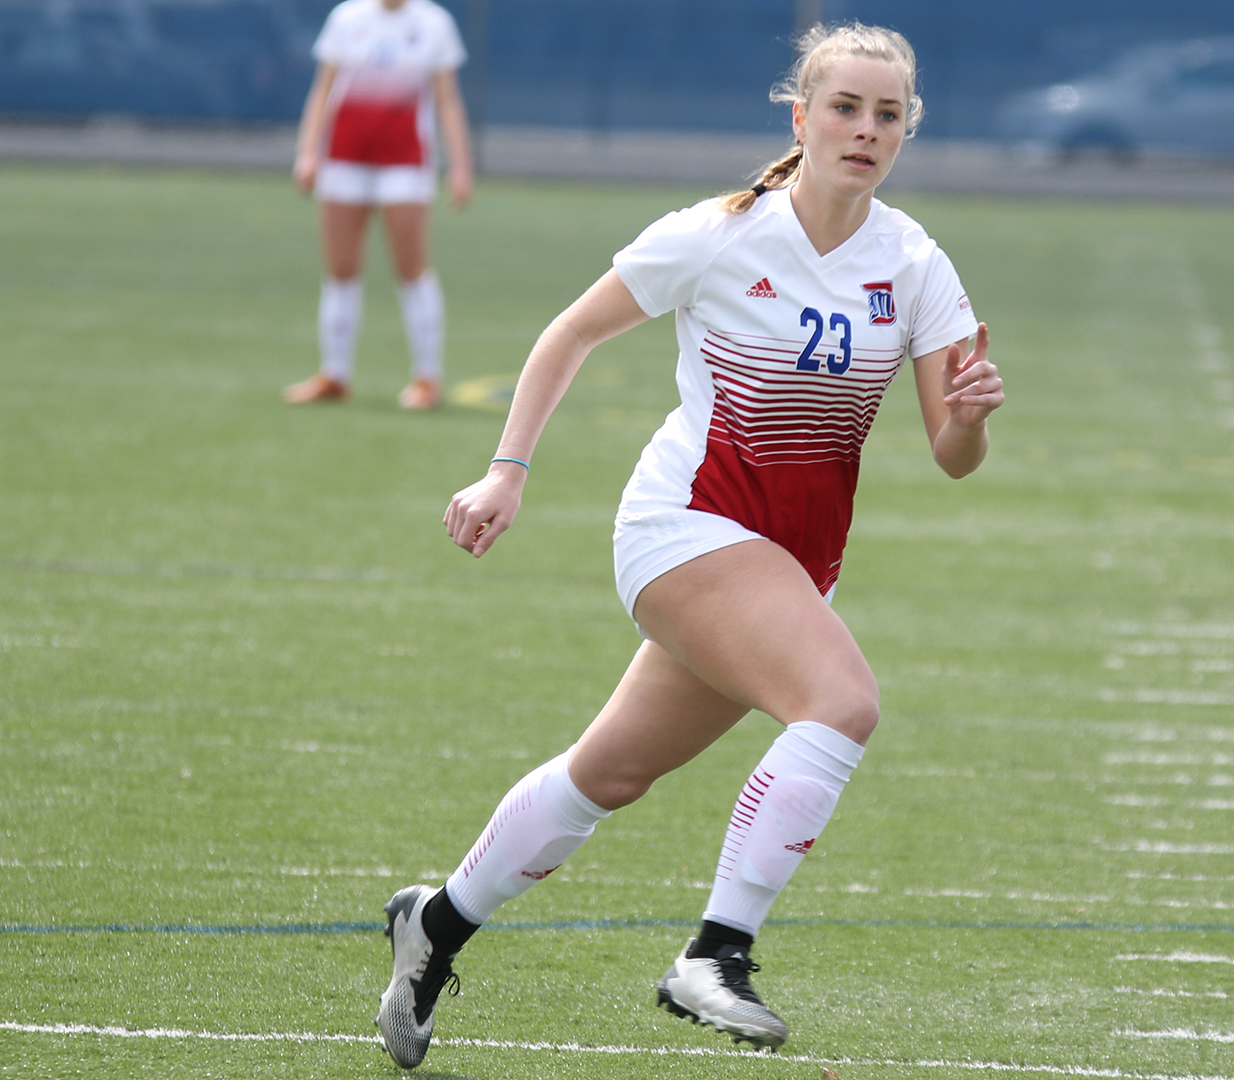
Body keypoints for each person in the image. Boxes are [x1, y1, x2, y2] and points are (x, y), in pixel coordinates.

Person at [369, 22, 1003, 1070]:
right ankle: (716, 953)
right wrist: (506, 470)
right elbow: (569, 332)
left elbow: (952, 454)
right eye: (844, 107)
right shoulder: (719, 232)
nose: (865, 129)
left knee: (607, 775)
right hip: (684, 528)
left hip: (792, 571)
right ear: (799, 119)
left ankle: (435, 924)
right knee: (842, 703)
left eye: (888, 114)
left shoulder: (915, 262)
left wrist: (974, 415)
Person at [284, 0, 475, 409]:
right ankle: (334, 375)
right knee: (340, 269)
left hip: (404, 164)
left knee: (411, 267)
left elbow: (447, 100)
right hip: (344, 159)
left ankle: (427, 378)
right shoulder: (347, 17)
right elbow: (323, 89)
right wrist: (308, 151)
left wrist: (460, 164)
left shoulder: (434, 23)